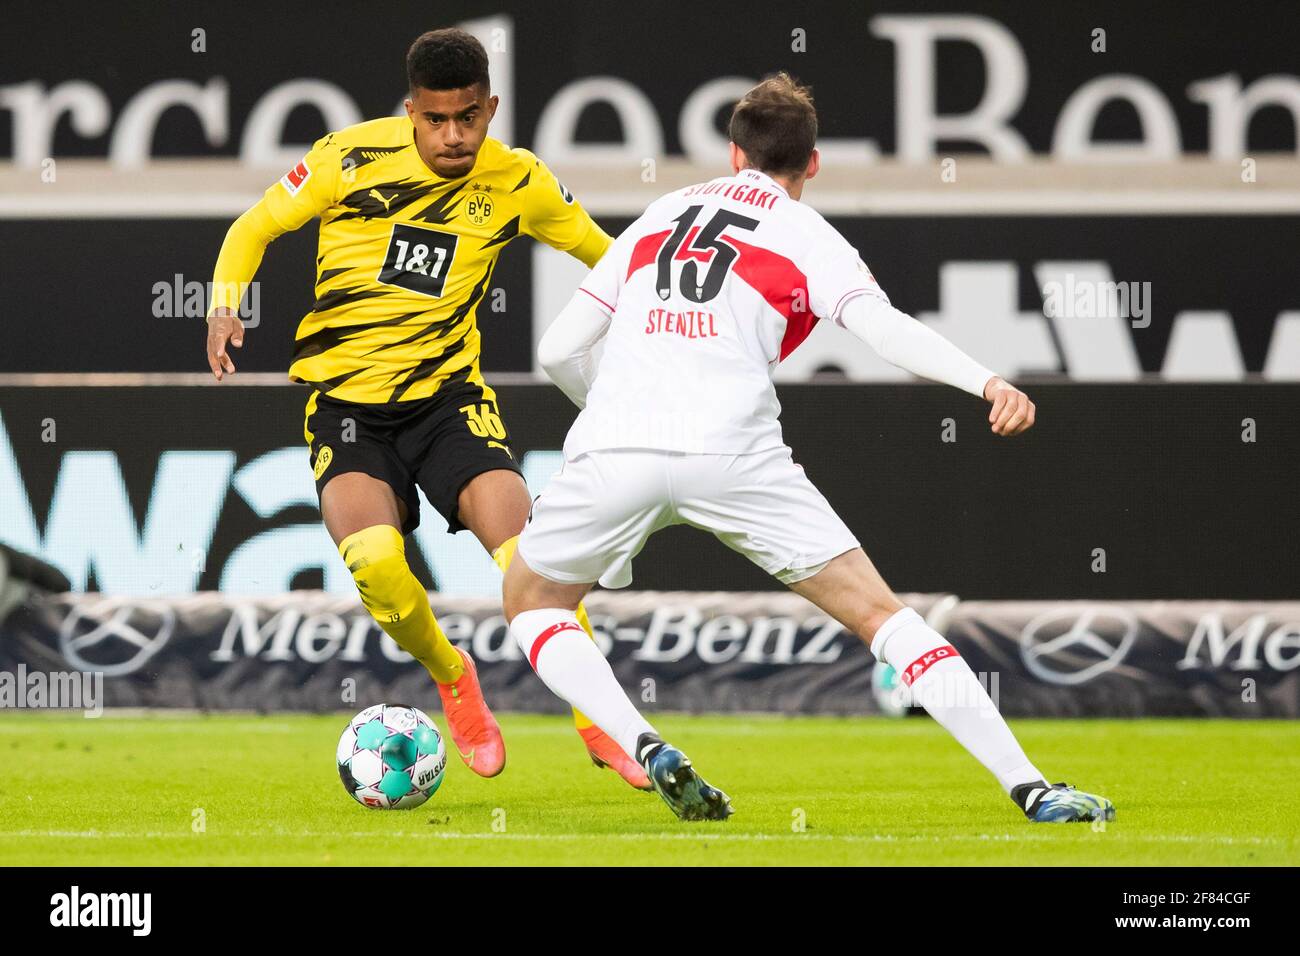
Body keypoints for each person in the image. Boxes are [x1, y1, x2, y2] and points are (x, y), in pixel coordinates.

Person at [502, 73, 1116, 823]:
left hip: (615, 448)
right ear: (812, 164)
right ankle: (1033, 788)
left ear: (733, 153)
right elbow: (883, 329)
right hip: (734, 454)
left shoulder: (662, 212)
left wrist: (608, 417)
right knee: (881, 618)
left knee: (532, 600)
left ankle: (644, 743)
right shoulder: (810, 235)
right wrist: (984, 382)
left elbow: (557, 350)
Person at [204, 28, 649, 790]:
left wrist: (673, 324)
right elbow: (255, 226)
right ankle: (453, 677)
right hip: (346, 411)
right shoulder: (348, 157)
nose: (453, 136)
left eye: (469, 118)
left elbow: (607, 259)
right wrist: (224, 302)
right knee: (376, 564)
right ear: (411, 111)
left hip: (449, 404)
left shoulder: (519, 180)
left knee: (529, 561)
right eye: (436, 119)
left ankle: (598, 717)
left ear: (491, 108)